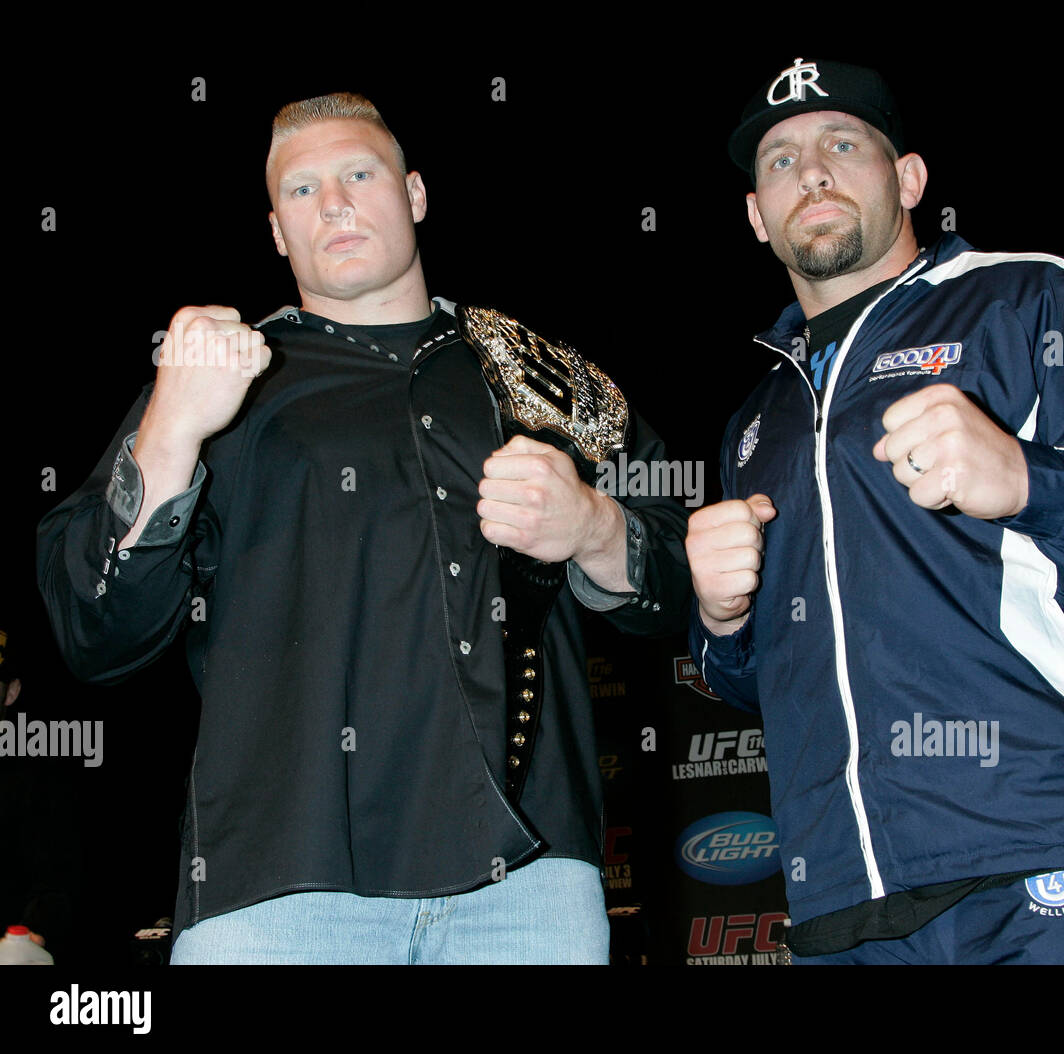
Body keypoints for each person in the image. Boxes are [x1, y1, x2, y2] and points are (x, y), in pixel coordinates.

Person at [37, 92, 690, 964]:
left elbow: (687, 578)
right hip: (276, 893)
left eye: (358, 173)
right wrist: (166, 434)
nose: (334, 203)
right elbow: (95, 634)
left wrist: (595, 527)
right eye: (301, 191)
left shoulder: (540, 379)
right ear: (276, 232)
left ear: (415, 195)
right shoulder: (224, 385)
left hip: (529, 889)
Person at [686, 59, 1064, 964]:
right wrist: (722, 624)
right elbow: (766, 678)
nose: (815, 172)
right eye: (782, 160)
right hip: (846, 916)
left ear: (909, 179)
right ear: (757, 216)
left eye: (844, 144)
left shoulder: (1031, 300)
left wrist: (1031, 480)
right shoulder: (759, 421)